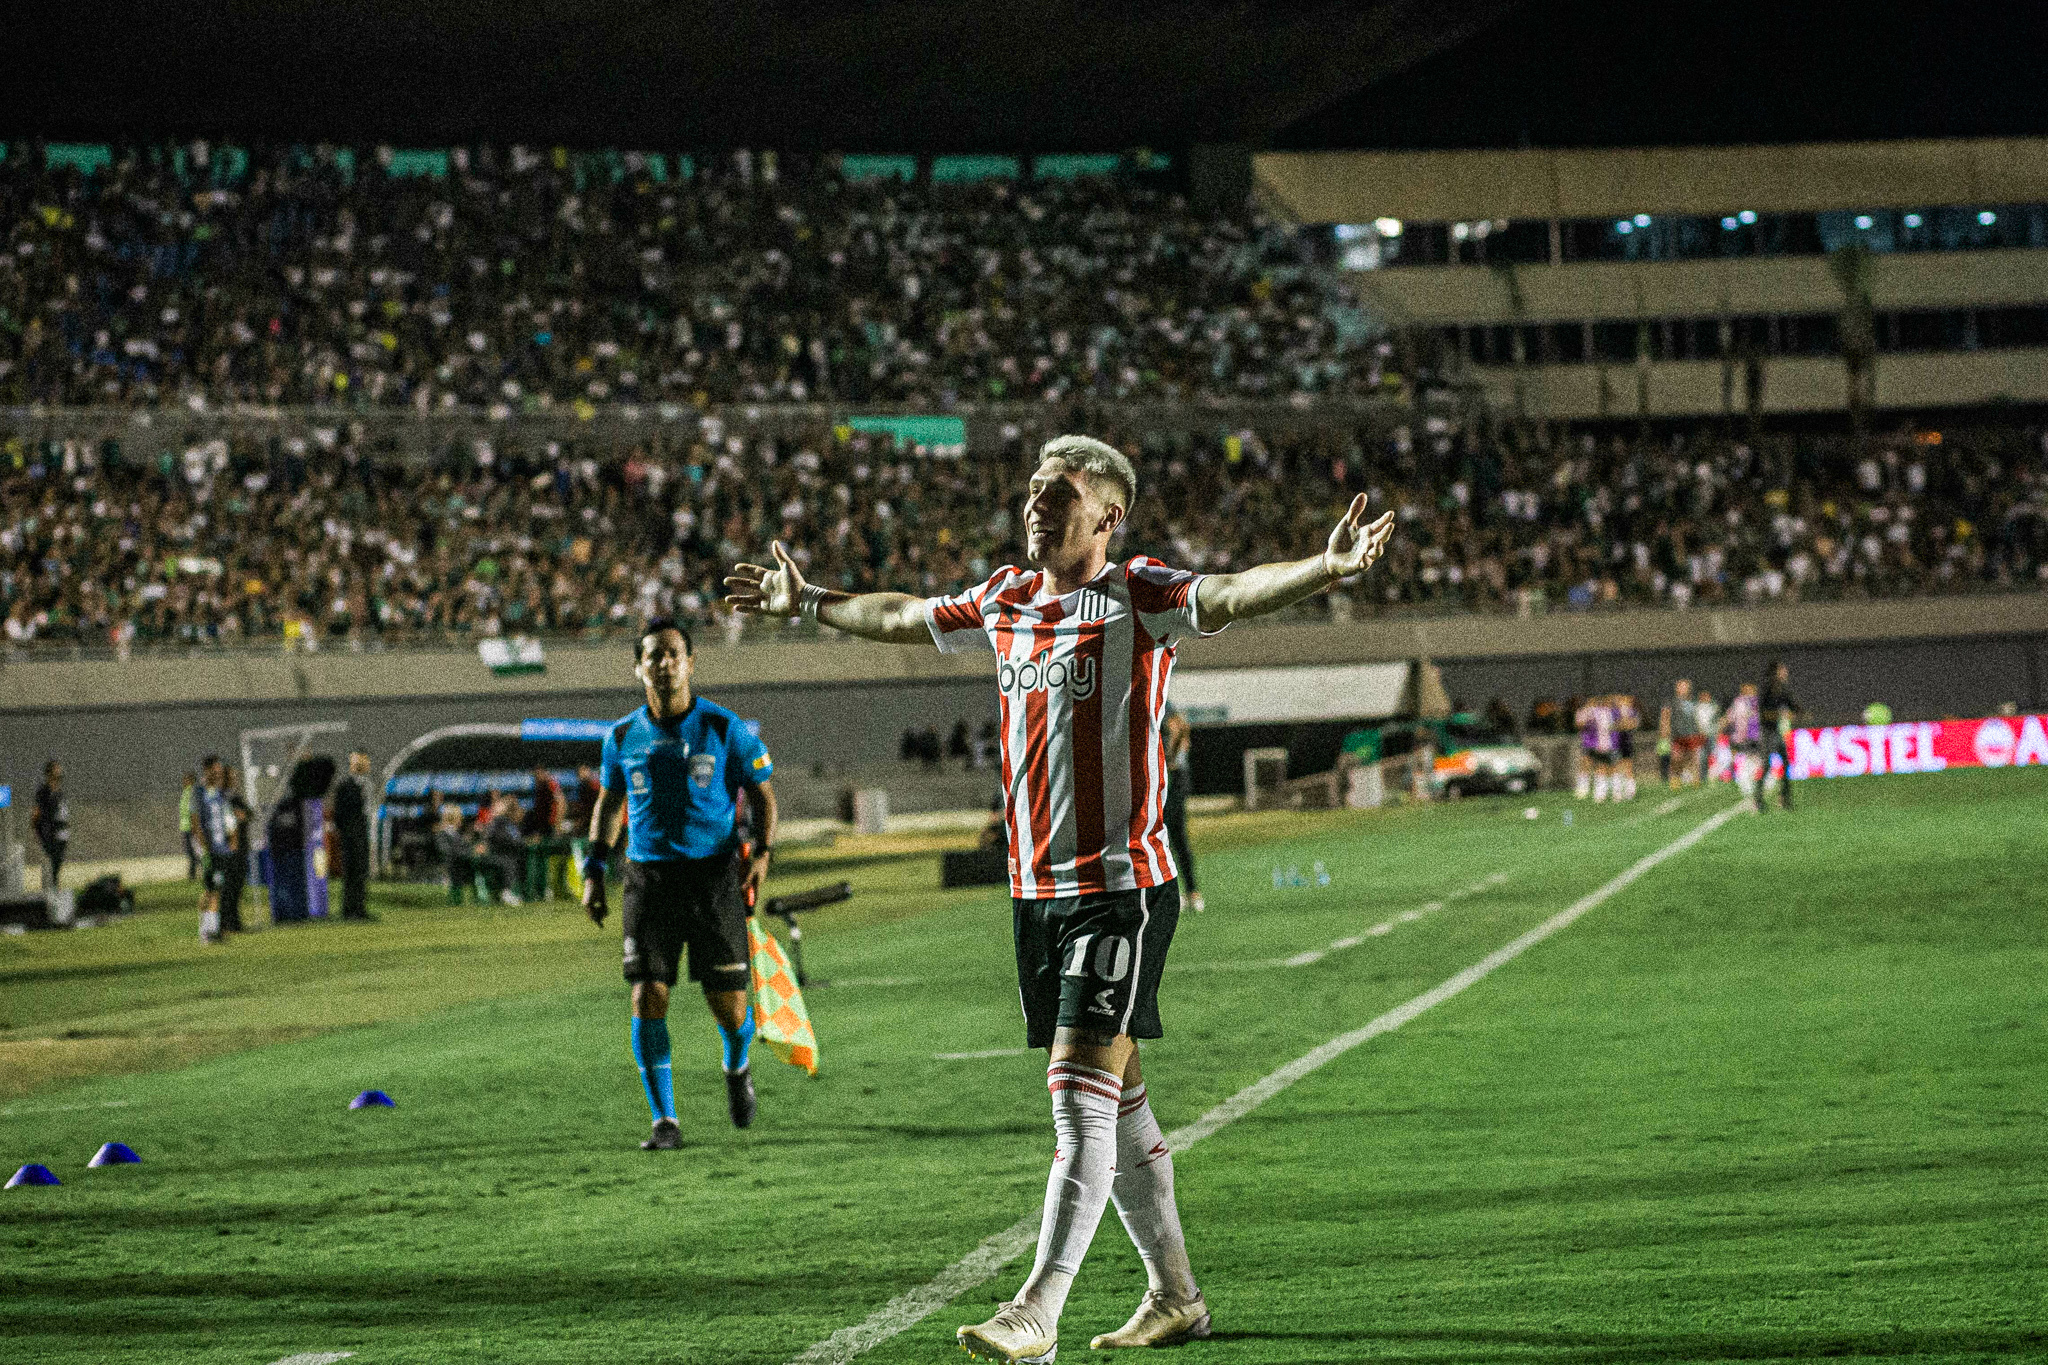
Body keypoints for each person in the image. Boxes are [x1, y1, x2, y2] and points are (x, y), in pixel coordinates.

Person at [724, 433, 1395, 1361]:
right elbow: (906, 613)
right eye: (1035, 488)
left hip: (1119, 888)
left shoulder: (1139, 593)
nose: (1036, 503)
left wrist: (1325, 567)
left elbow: (1232, 593)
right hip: (1034, 891)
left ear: (1109, 516)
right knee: (1117, 1102)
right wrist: (812, 604)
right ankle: (1176, 1298)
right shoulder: (1005, 597)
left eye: (1059, 493)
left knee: (1075, 1091)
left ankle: (1037, 1308)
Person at [582, 618, 779, 1147]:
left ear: (690, 662)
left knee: (730, 1006)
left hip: (714, 878)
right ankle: (664, 1121)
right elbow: (609, 804)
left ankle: (736, 1067)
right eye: (653, 655)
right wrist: (594, 870)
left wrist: (761, 853)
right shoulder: (621, 737)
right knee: (648, 994)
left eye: (673, 654)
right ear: (638, 667)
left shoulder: (724, 727)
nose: (664, 663)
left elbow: (762, 796)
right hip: (648, 879)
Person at [1160, 704, 1203, 913]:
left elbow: (1180, 729)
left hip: (1172, 780)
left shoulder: (1161, 701)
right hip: (1175, 779)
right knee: (1175, 838)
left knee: (1168, 838)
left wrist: (1169, 758)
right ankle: (1190, 892)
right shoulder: (1167, 702)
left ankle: (1187, 893)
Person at [330, 751, 374, 922]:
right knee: (351, 872)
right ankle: (349, 910)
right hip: (350, 835)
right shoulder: (345, 786)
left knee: (361, 871)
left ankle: (360, 908)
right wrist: (346, 832)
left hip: (363, 833)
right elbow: (339, 813)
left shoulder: (368, 785)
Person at [195, 755, 234, 943]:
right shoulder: (199, 792)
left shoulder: (218, 793)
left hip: (221, 849)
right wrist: (204, 847)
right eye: (216, 770)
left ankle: (210, 930)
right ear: (207, 770)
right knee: (212, 890)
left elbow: (225, 818)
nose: (219, 774)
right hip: (211, 850)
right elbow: (196, 822)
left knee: (215, 890)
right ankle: (207, 932)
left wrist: (230, 839)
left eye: (220, 771)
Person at [1759, 661, 1799, 812]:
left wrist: (1799, 712)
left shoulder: (1782, 689)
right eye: (1782, 670)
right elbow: (1763, 713)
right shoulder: (1769, 689)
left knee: (1786, 764)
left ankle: (1784, 798)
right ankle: (1758, 799)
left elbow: (1791, 705)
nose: (1785, 672)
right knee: (1767, 765)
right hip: (1768, 732)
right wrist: (1780, 714)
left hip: (1776, 732)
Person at [1721, 682, 1766, 810]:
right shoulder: (1739, 702)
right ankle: (1748, 787)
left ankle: (1754, 787)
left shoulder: (1757, 702)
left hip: (1755, 737)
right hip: (1742, 738)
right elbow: (1730, 717)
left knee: (1756, 763)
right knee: (1744, 763)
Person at [218, 767, 253, 933]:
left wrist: (243, 815)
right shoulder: (222, 798)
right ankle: (227, 922)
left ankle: (233, 921)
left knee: (237, 885)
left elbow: (248, 814)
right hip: (229, 848)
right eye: (232, 776)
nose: (235, 779)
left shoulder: (235, 797)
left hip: (241, 847)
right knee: (229, 887)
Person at [1661, 679, 1706, 789]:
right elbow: (1665, 715)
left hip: (1693, 733)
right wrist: (1665, 728)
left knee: (1694, 758)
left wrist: (1702, 730)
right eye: (1681, 687)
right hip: (1678, 734)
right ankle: (1675, 778)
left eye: (1685, 687)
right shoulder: (1671, 702)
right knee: (1677, 758)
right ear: (1677, 689)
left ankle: (1696, 781)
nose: (1684, 689)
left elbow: (1699, 717)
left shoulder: (1694, 702)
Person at [32, 761, 70, 891]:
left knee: (57, 863)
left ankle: (54, 887)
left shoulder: (59, 792)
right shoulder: (44, 791)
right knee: (51, 864)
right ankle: (50, 890)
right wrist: (40, 832)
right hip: (51, 832)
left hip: (61, 831)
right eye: (56, 769)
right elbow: (37, 814)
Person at [1574, 696, 1618, 801]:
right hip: (1588, 743)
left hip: (1601, 743)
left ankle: (1602, 792)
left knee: (1603, 766)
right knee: (1585, 765)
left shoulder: (1602, 711)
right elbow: (1578, 724)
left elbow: (1609, 725)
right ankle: (1582, 790)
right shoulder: (1583, 711)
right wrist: (1587, 720)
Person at [179, 772, 199, 880]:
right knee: (190, 851)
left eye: (186, 780)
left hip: (191, 827)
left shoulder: (192, 793)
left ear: (191, 781)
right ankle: (193, 873)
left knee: (194, 851)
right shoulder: (185, 792)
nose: (183, 782)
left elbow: (193, 811)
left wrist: (194, 826)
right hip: (185, 827)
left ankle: (193, 874)